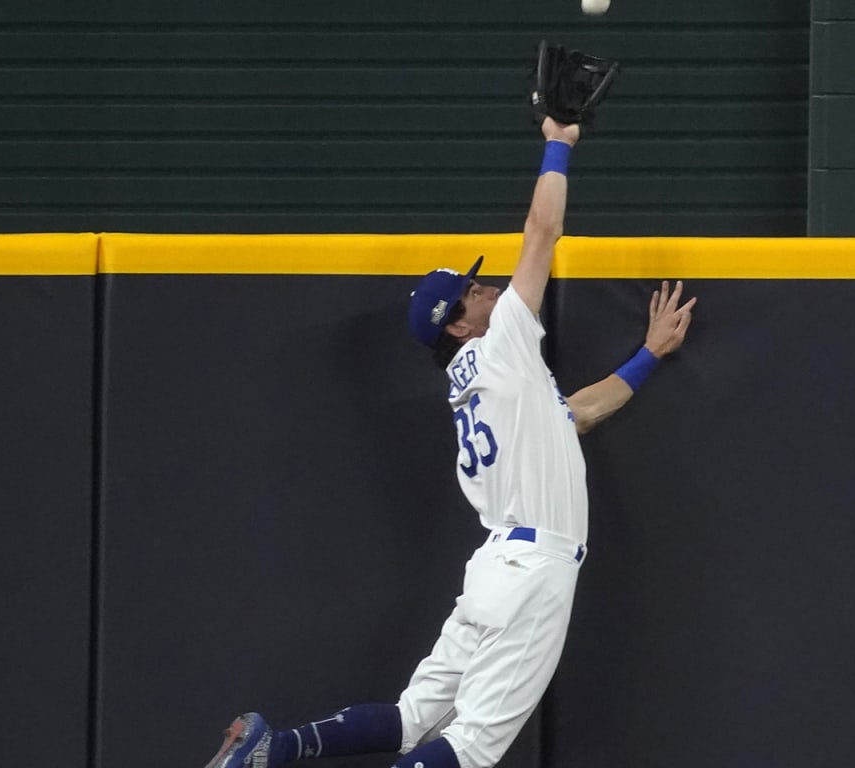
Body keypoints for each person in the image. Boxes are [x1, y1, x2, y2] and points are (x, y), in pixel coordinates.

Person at [204, 116, 696, 768]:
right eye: (471, 291)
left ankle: (276, 747)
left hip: (495, 571)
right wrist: (561, 141)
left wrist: (647, 356)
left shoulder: (480, 383)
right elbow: (543, 233)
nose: (485, 286)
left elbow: (571, 414)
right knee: (467, 749)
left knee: (413, 721)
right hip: (533, 573)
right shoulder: (503, 347)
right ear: (460, 326)